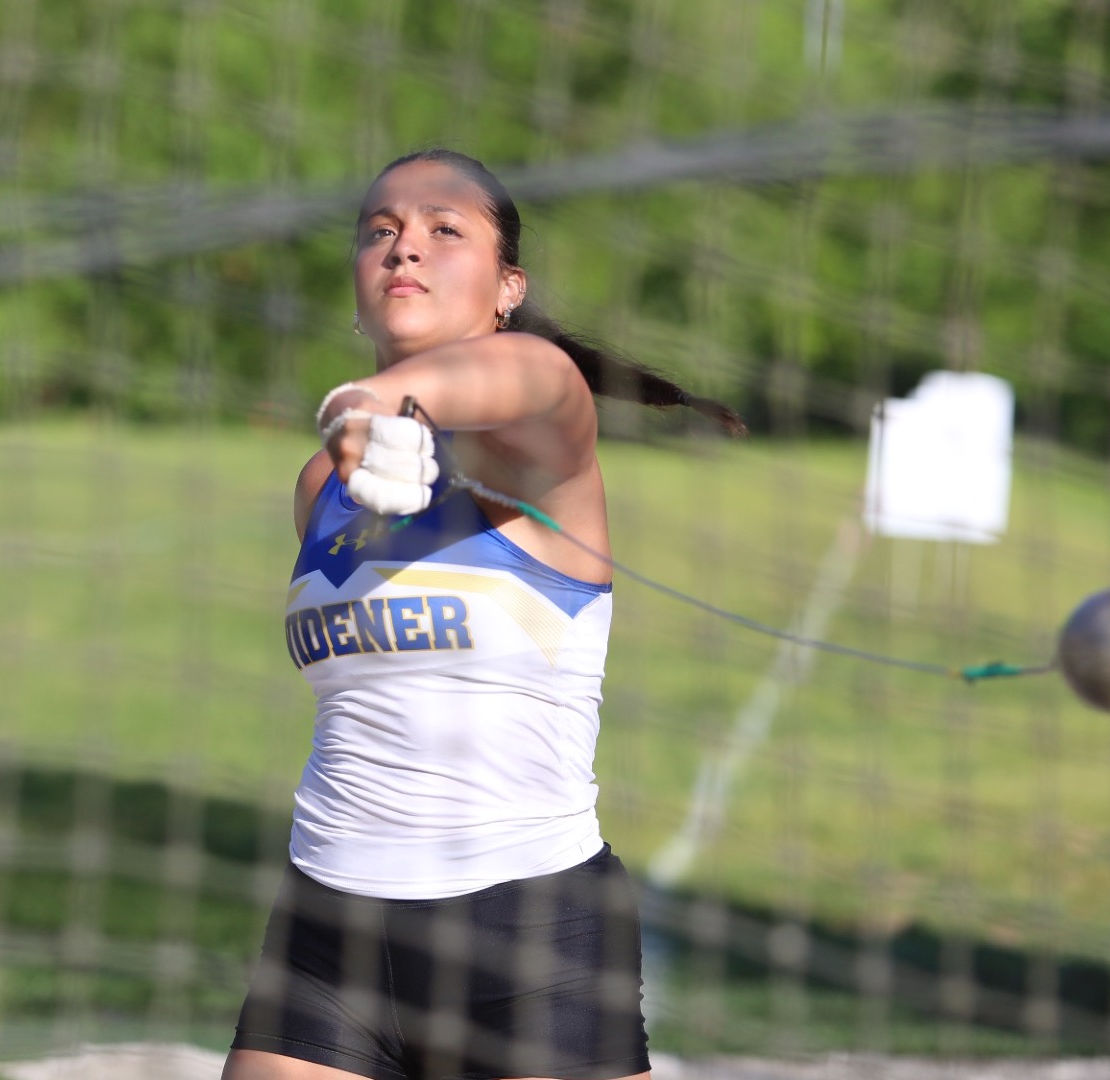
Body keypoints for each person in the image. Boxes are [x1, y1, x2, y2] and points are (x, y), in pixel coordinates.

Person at [224, 149, 744, 1080]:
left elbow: (535, 380)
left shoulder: (540, 429)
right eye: (380, 231)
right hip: (328, 920)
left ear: (509, 286)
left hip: (527, 935)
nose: (404, 248)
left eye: (443, 230)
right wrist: (363, 426)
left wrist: (373, 401)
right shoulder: (323, 483)